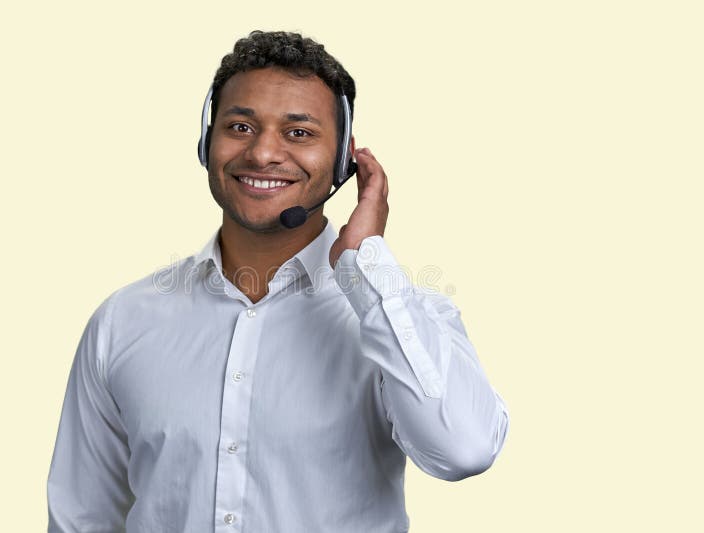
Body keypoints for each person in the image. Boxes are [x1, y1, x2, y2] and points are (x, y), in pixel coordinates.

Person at [47, 30, 509, 533]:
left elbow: (464, 450)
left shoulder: (402, 317)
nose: (263, 153)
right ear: (207, 141)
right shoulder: (123, 320)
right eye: (240, 126)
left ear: (343, 162)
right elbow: (81, 517)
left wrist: (365, 265)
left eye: (299, 132)